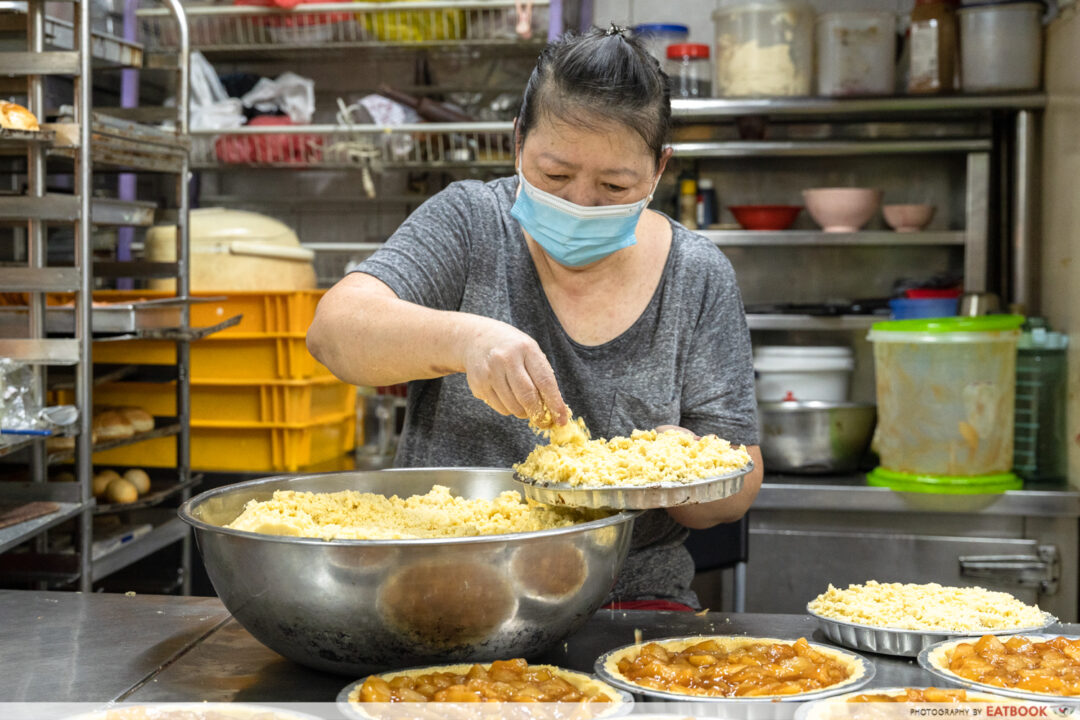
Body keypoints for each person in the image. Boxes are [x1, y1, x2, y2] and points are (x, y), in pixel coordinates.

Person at [307, 25, 763, 609]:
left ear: (658, 169)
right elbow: (333, 332)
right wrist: (465, 339)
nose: (580, 203)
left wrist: (679, 471)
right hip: (449, 582)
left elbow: (739, 483)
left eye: (614, 184)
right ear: (518, 141)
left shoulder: (696, 275)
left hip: (628, 598)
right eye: (555, 176)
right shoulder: (472, 223)